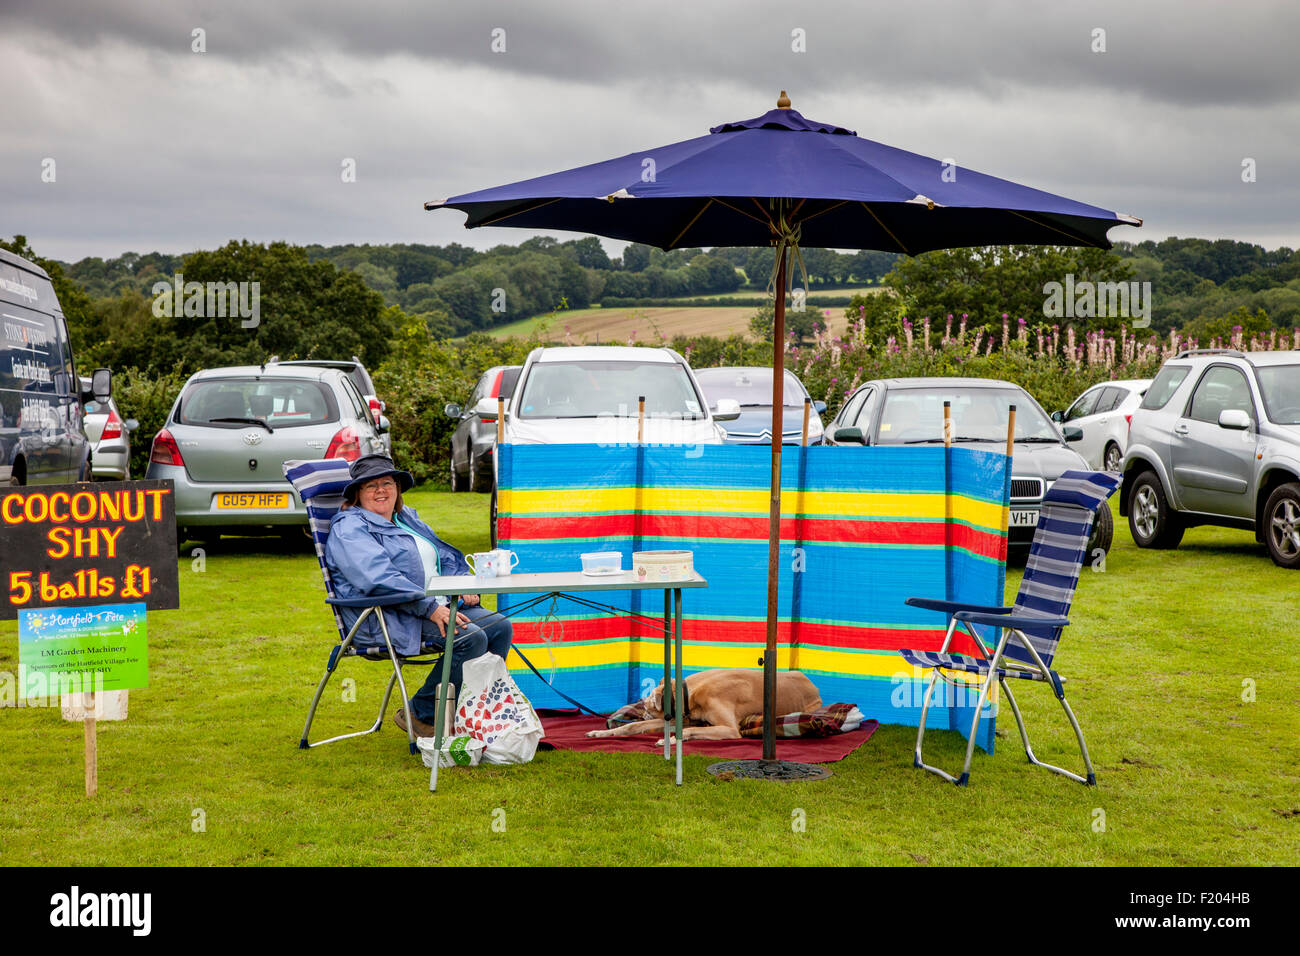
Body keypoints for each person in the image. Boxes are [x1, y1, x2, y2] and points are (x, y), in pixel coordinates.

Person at [324, 454, 512, 737]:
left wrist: (461, 583)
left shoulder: (407, 518)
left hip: (431, 606)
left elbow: (445, 557)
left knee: (499, 627)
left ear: (397, 488)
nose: (380, 490)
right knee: (469, 637)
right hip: (385, 617)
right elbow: (379, 580)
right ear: (357, 494)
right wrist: (429, 609)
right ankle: (420, 712)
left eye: (387, 483)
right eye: (370, 486)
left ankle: (469, 711)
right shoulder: (350, 528)